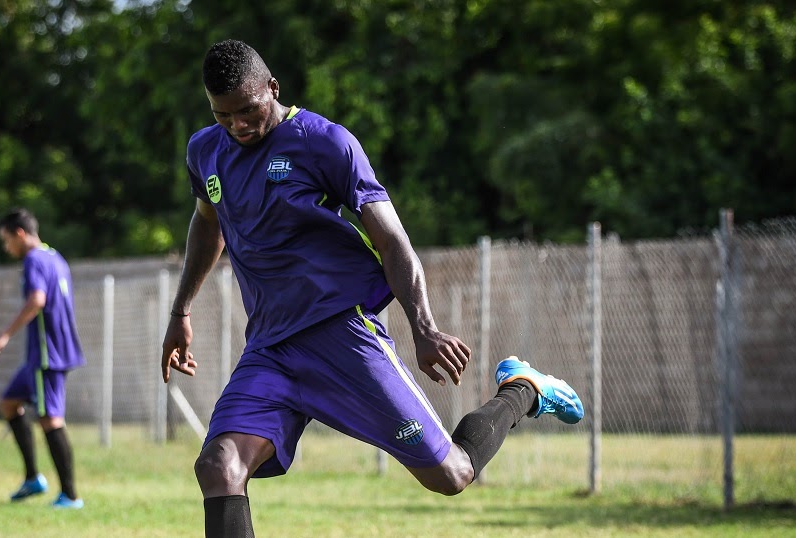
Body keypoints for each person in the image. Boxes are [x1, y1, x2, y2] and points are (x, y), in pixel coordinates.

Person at [160, 39, 584, 537]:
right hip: (270, 348)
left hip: (341, 334)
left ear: (272, 88)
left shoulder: (324, 142)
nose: (238, 126)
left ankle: (522, 388)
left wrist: (423, 327)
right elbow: (208, 222)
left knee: (452, 475)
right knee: (219, 466)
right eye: (223, 115)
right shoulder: (205, 150)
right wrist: (180, 311)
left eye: (248, 110)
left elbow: (392, 240)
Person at [0, 208, 86, 509]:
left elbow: (37, 300)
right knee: (9, 403)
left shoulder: (33, 260)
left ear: (19, 234)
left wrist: (4, 336)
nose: (6, 248)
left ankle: (70, 495)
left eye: (6, 240)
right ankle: (32, 478)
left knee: (50, 419)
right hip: (42, 354)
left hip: (47, 353)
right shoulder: (55, 257)